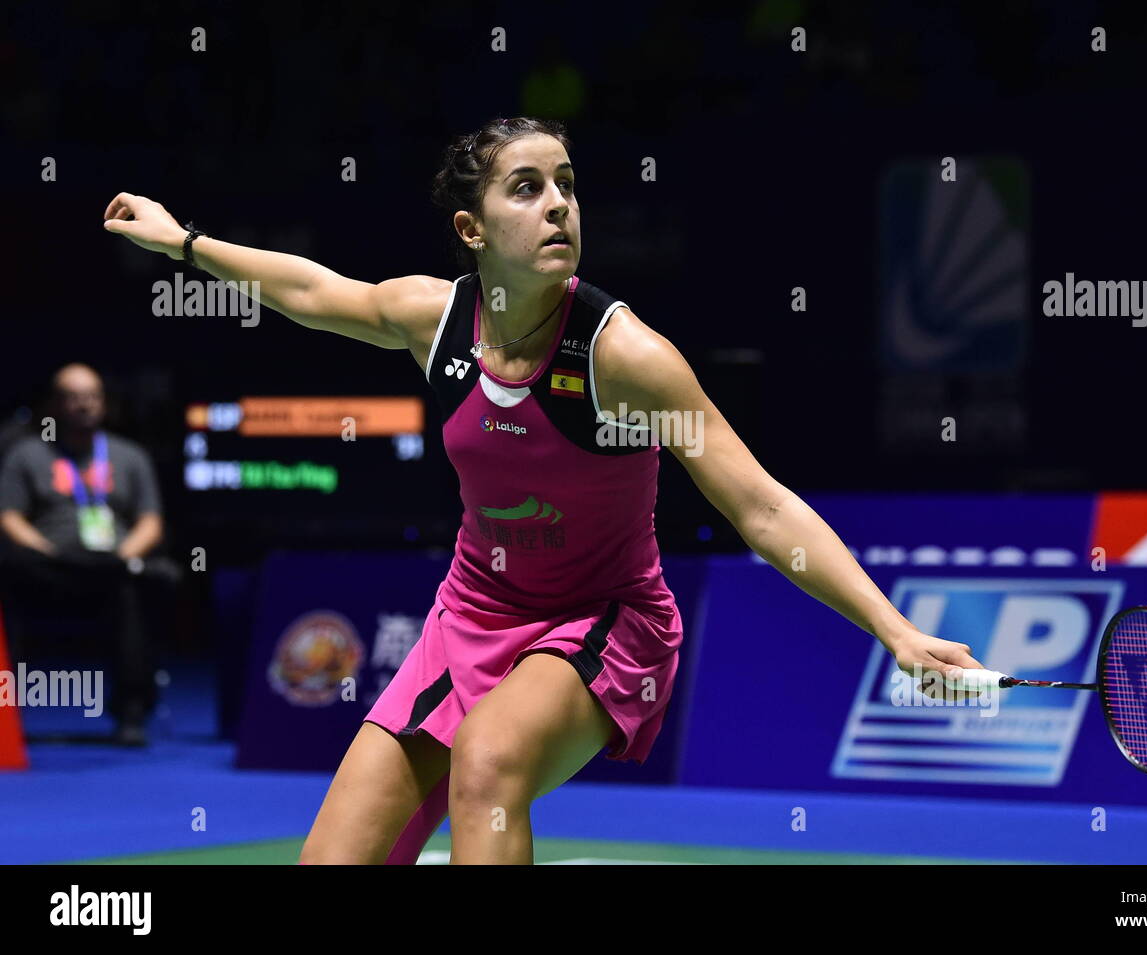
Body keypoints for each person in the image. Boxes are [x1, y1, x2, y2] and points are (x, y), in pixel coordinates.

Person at [102, 116, 986, 865]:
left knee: (489, 758)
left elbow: (760, 504)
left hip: (605, 621)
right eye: (526, 188)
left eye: (566, 183)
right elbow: (312, 290)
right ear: (473, 229)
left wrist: (894, 630)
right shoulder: (435, 322)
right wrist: (182, 240)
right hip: (469, 614)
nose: (559, 203)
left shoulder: (621, 357)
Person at [0, 363, 177, 746]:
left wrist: (123, 554)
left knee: (139, 586)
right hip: (48, 565)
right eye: (74, 397)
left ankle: (131, 713)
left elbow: (151, 521)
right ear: (54, 404)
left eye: (92, 396)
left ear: (104, 403)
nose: (84, 405)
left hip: (112, 566)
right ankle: (7, 716)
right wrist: (45, 551)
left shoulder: (129, 456)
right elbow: (9, 517)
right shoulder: (26, 454)